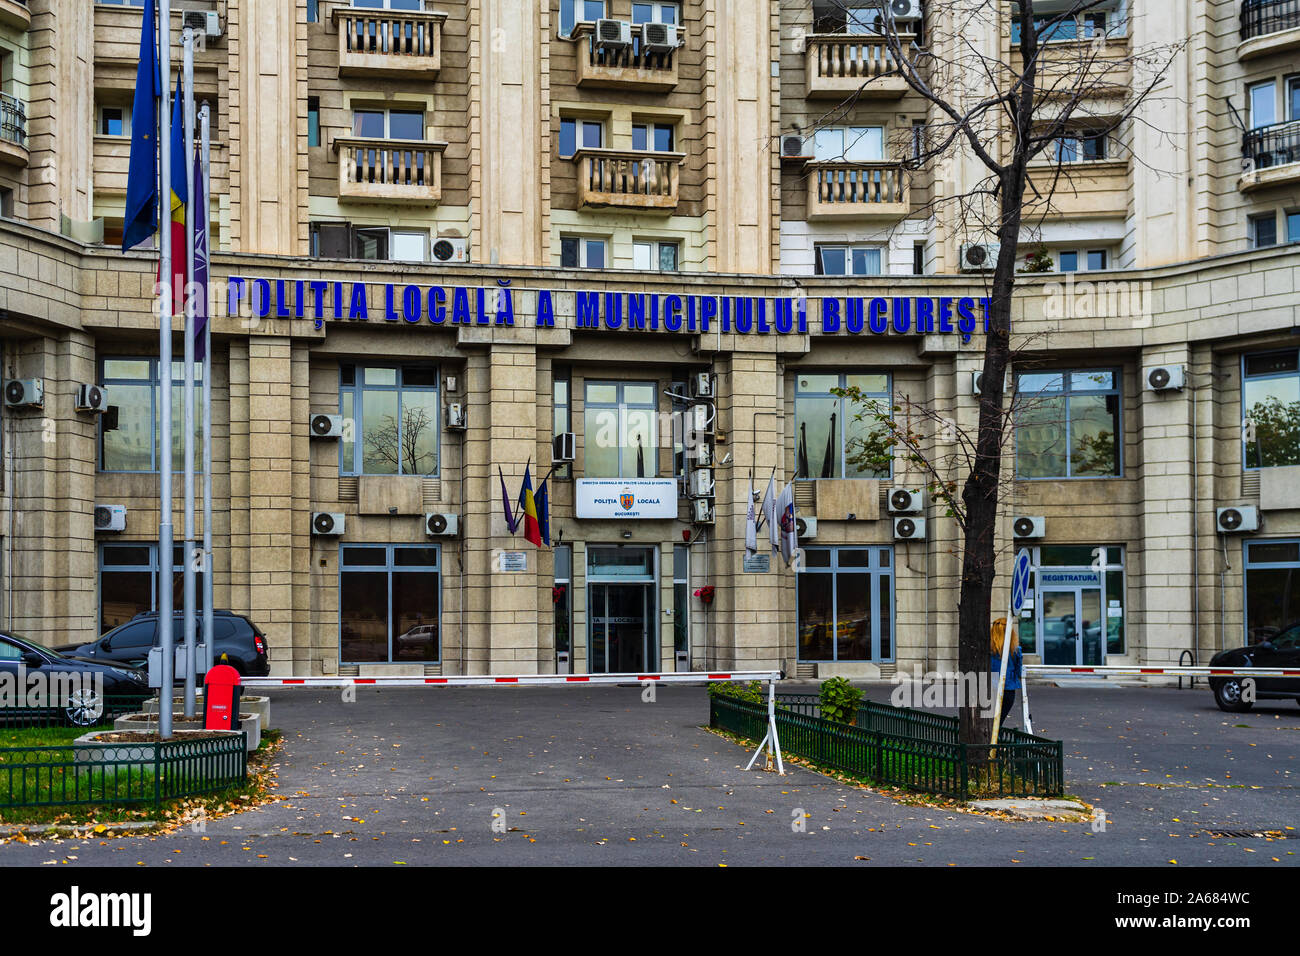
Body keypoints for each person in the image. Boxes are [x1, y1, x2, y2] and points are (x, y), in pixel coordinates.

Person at [990, 617, 1023, 724]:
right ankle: (995, 738)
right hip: (1008, 687)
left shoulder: (988, 649)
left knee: (987, 720)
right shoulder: (1015, 649)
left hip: (989, 687)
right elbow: (1019, 671)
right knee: (999, 721)